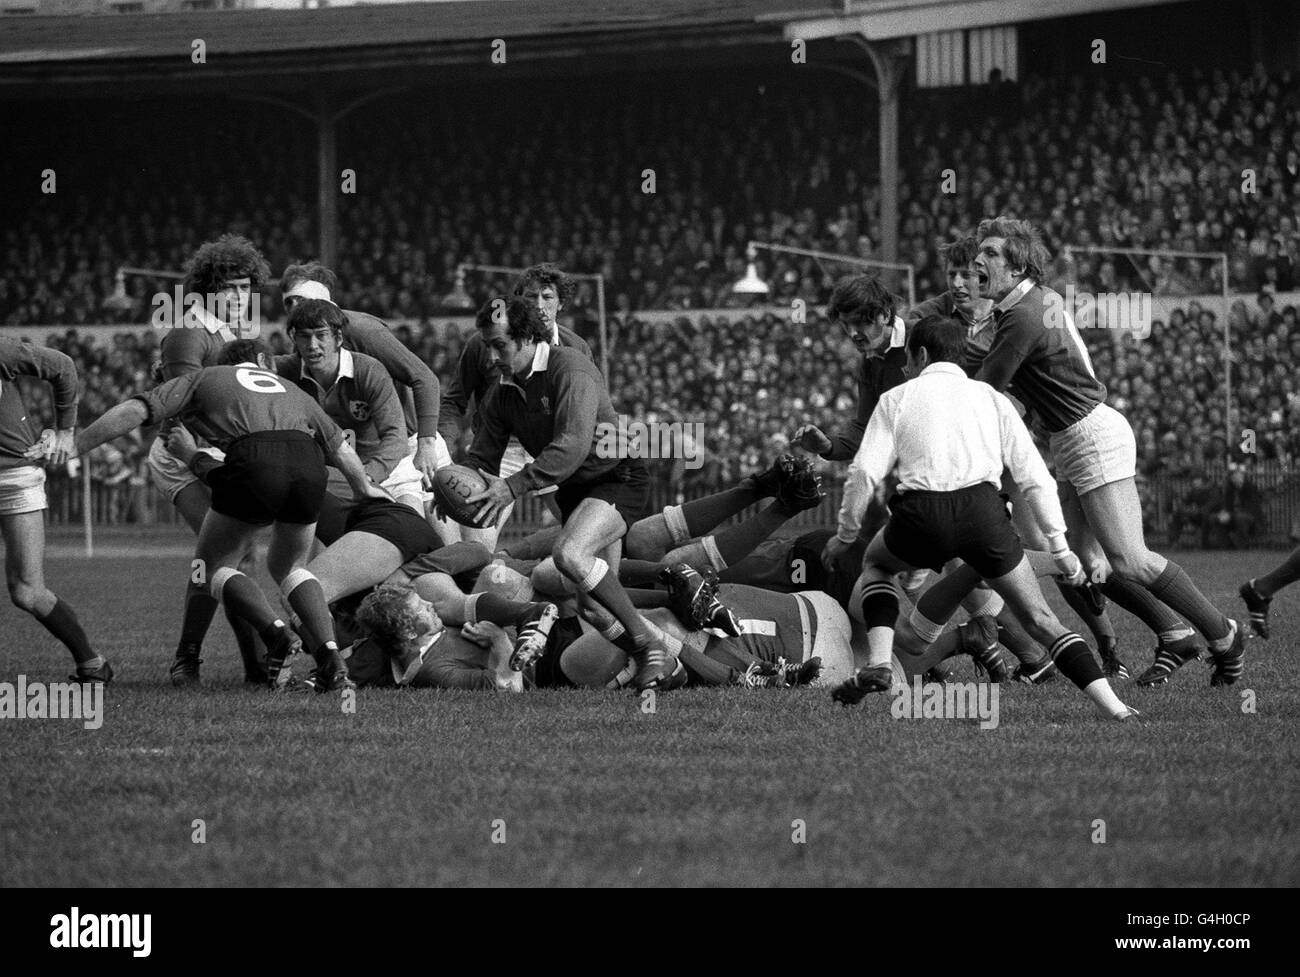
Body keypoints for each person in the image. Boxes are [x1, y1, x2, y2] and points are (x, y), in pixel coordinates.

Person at [972, 215, 1243, 688]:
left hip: (1089, 435)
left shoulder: (1023, 314)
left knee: (1129, 559)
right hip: (1075, 437)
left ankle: (1223, 635)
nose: (979, 258)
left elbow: (985, 391)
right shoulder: (1033, 303)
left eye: (991, 253)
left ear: (1017, 268)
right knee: (1080, 560)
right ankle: (1176, 632)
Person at [825, 315, 1136, 721]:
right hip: (984, 515)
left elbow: (864, 471)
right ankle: (1116, 709)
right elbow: (1034, 476)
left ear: (919, 355)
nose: (904, 368)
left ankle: (881, 663)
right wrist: (1061, 549)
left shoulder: (896, 397)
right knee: (1041, 619)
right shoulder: (993, 398)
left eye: (908, 361)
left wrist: (846, 533)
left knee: (877, 566)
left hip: (920, 514)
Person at [74, 339, 389, 695]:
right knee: (291, 568)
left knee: (208, 568)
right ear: (262, 361)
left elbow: (135, 410)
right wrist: (363, 488)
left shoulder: (208, 376)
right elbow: (340, 448)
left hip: (253, 460)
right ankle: (332, 659)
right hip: (308, 463)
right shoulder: (291, 389)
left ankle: (273, 634)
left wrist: (77, 443)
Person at [461, 298, 677, 690]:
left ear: (526, 338)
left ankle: (650, 647)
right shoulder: (503, 391)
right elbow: (483, 458)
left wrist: (511, 488)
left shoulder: (571, 367)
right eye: (487, 347)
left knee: (569, 555)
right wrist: (456, 487)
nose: (491, 357)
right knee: (594, 608)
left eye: (499, 346)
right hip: (574, 489)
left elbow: (572, 444)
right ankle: (669, 661)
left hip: (618, 475)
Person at [149, 234, 272, 685]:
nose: (239, 296)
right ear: (205, 289)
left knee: (234, 559)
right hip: (180, 455)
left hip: (219, 453)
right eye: (229, 288)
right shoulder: (188, 333)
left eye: (245, 288)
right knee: (222, 555)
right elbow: (182, 409)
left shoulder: (237, 332)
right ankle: (197, 659)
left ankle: (250, 667)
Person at [438, 262, 594, 550]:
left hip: (552, 450)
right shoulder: (483, 343)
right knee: (478, 547)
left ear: (561, 304)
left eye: (547, 297)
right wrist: (443, 449)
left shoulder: (577, 348)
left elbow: (586, 417)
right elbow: (453, 401)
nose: (539, 305)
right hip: (498, 451)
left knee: (583, 537)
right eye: (530, 297)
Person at [4, 338, 108, 682]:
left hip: (13, 476)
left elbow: (62, 366)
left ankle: (91, 663)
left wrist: (64, 432)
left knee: (26, 590)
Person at [276, 298, 422, 512]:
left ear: (338, 338)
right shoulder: (284, 369)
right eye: (304, 337)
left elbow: (396, 436)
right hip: (331, 479)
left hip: (386, 472)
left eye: (321, 335)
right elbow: (244, 366)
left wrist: (365, 477)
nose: (312, 345)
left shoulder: (369, 370)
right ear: (294, 339)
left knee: (414, 531)